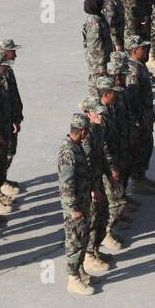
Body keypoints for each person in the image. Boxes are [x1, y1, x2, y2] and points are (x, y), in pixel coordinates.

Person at [58, 113, 95, 296]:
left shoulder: (76, 146)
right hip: (75, 207)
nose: (87, 135)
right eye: (86, 131)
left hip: (83, 201)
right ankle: (72, 279)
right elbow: (66, 184)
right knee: (75, 241)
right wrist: (72, 209)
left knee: (83, 238)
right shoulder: (69, 153)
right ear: (81, 132)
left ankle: (79, 270)